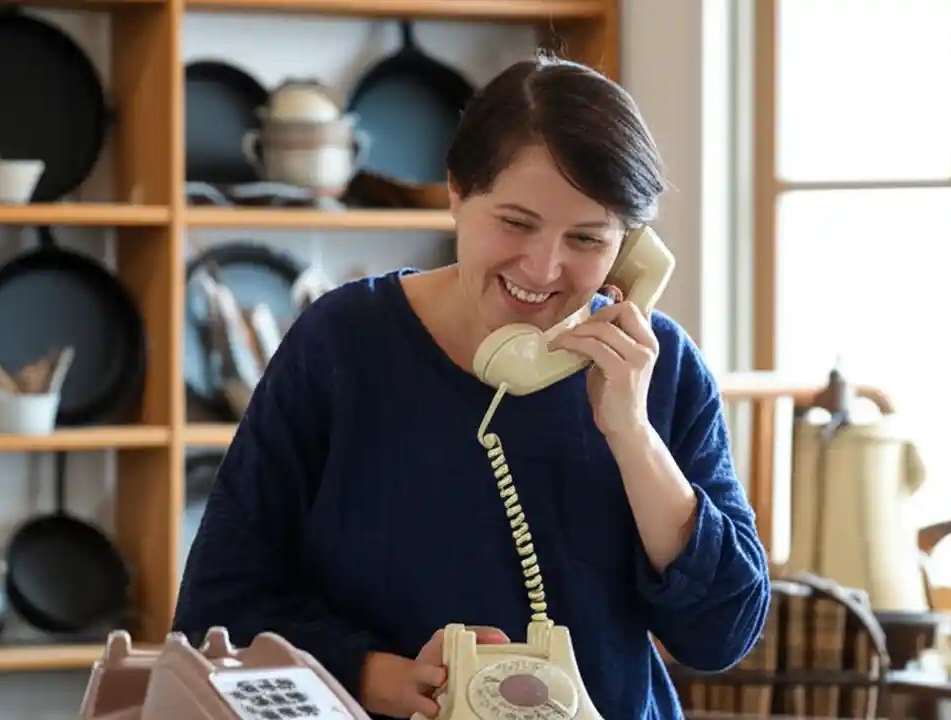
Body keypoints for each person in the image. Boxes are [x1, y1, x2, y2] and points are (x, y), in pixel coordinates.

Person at [173, 51, 770, 720]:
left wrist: (631, 432)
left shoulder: (660, 368)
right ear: (456, 190)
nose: (544, 268)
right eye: (516, 223)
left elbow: (722, 635)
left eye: (587, 238)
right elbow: (215, 610)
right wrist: (379, 677)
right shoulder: (340, 345)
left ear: (631, 249)